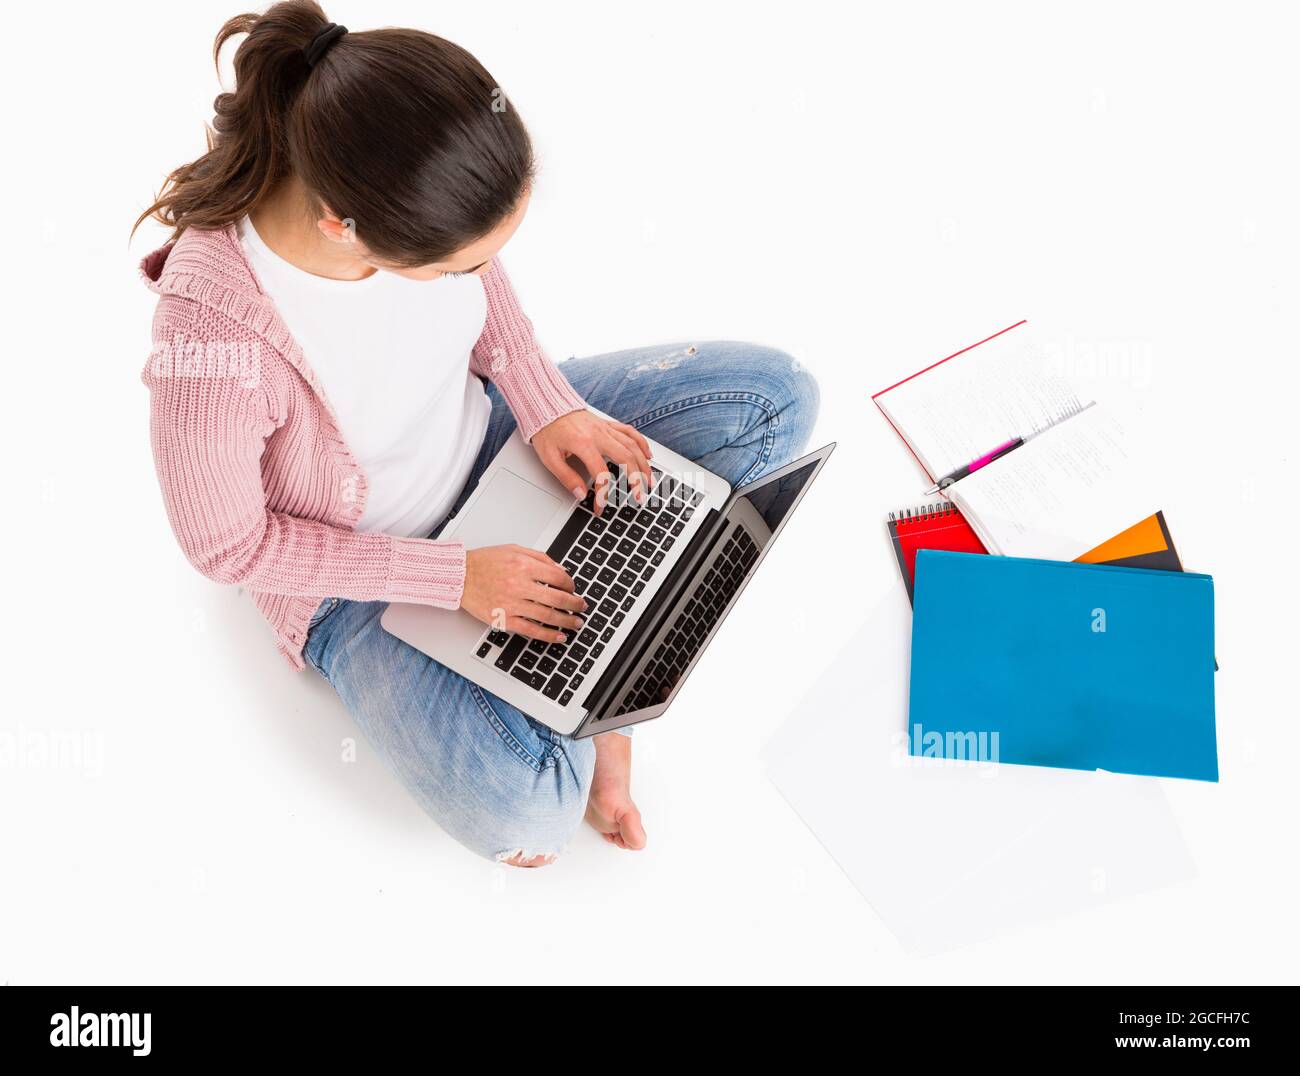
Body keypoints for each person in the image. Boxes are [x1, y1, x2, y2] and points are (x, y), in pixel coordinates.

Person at [137, 1, 818, 865]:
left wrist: (545, 401)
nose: (479, 272)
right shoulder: (211, 335)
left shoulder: (395, 180)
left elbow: (484, 293)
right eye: (457, 264)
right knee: (532, 812)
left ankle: (598, 649)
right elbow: (227, 550)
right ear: (344, 226)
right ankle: (595, 657)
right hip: (365, 581)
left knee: (774, 398)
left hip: (496, 443)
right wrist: (454, 575)